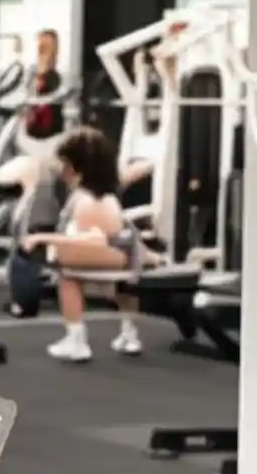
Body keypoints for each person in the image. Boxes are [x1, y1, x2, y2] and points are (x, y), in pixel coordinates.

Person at [17, 126, 159, 362]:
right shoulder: (102, 192)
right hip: (123, 253)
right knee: (110, 287)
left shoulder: (86, 201)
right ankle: (128, 334)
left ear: (74, 167)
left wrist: (43, 239)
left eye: (63, 162)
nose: (60, 169)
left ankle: (76, 340)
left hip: (117, 253)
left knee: (67, 274)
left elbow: (92, 240)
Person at [25, 29, 64, 139]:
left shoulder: (56, 76)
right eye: (41, 48)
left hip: (49, 128)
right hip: (35, 125)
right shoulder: (32, 73)